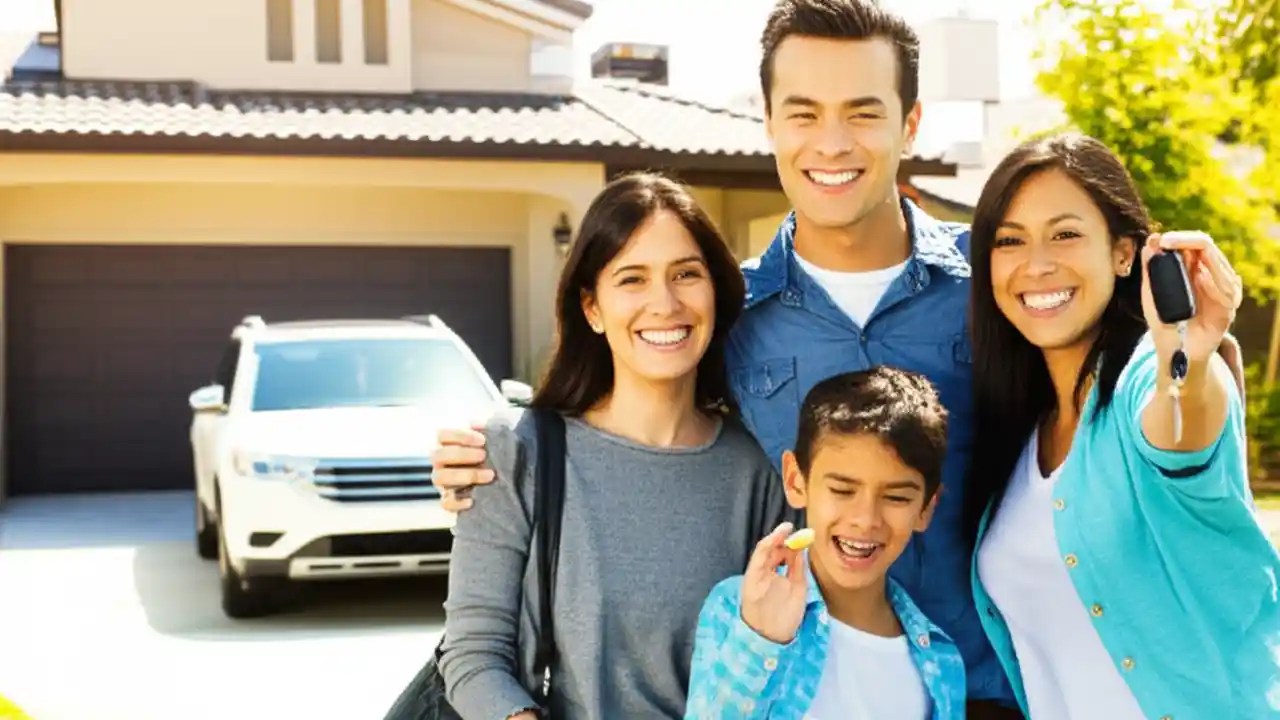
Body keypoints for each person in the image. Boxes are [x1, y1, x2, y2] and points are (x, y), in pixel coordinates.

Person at [432, 2, 1020, 716]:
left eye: (862, 112)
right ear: (767, 122)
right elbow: (627, 422)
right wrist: (494, 455)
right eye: (803, 112)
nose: (831, 143)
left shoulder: (1000, 288)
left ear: (911, 124)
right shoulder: (736, 317)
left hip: (982, 690)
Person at [437, 171, 792, 720]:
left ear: (716, 293)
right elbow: (473, 656)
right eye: (632, 279)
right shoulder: (516, 454)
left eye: (686, 274)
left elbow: (780, 663)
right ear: (592, 308)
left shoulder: (759, 471)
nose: (664, 303)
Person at [964, 132, 1280, 719]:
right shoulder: (1019, 428)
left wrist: (1185, 361)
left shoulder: (1146, 377)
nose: (1037, 264)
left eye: (1065, 234)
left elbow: (1177, 433)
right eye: (1010, 241)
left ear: (1123, 252)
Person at [685, 366, 967, 719]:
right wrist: (761, 640)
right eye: (842, 490)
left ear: (926, 508)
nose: (865, 519)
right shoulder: (740, 609)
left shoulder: (941, 661)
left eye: (896, 497)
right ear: (795, 480)